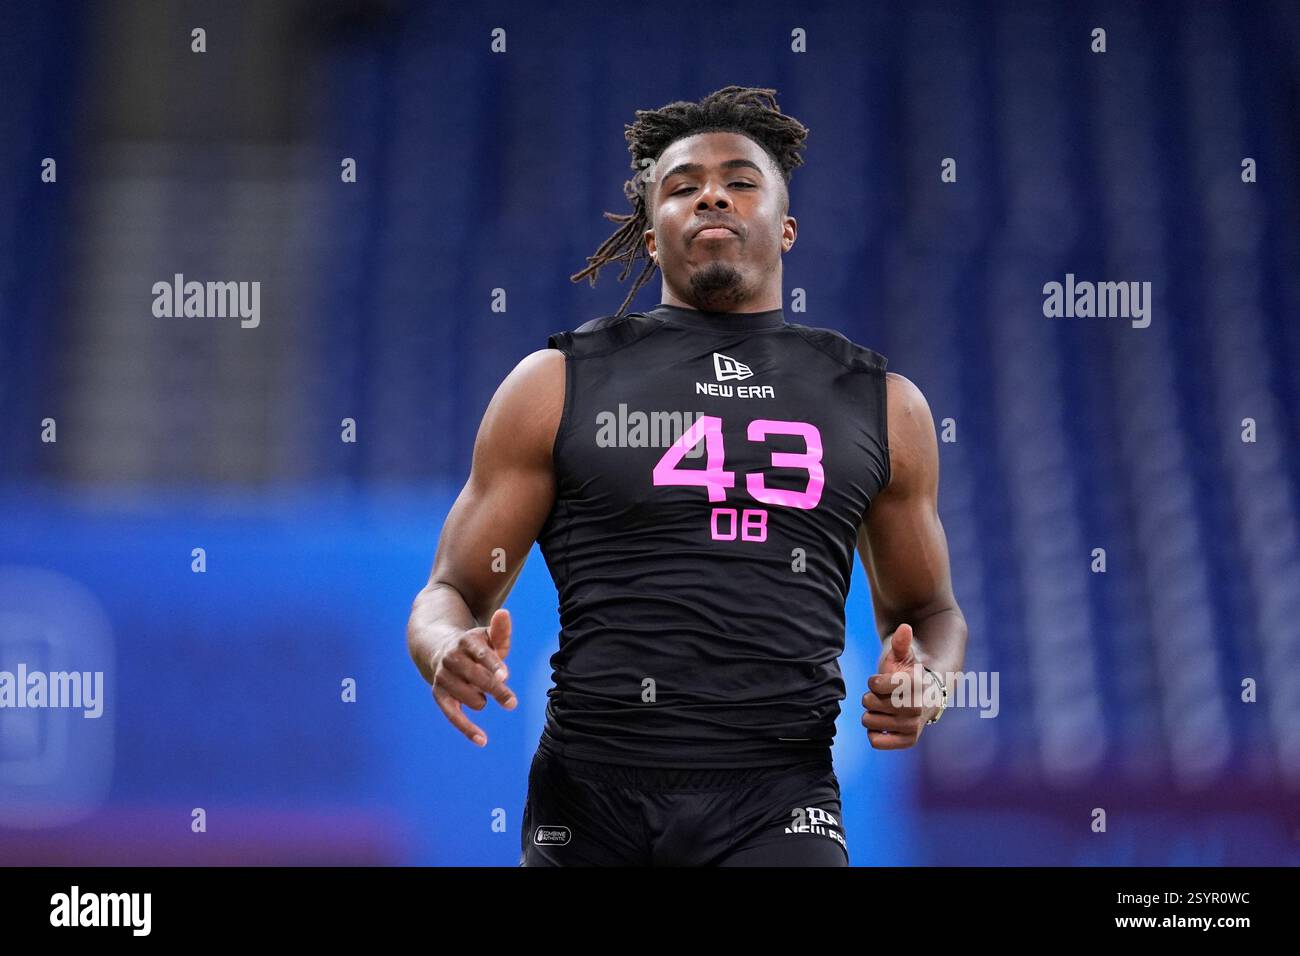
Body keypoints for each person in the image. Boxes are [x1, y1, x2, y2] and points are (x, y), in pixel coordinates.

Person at [407, 86, 967, 866]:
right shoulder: (554, 383)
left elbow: (930, 611)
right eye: (680, 186)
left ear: (787, 227)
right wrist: (443, 647)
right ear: (649, 233)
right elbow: (449, 591)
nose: (711, 193)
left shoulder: (881, 402)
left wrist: (928, 685)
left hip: (780, 799)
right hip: (589, 798)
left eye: (742, 180)